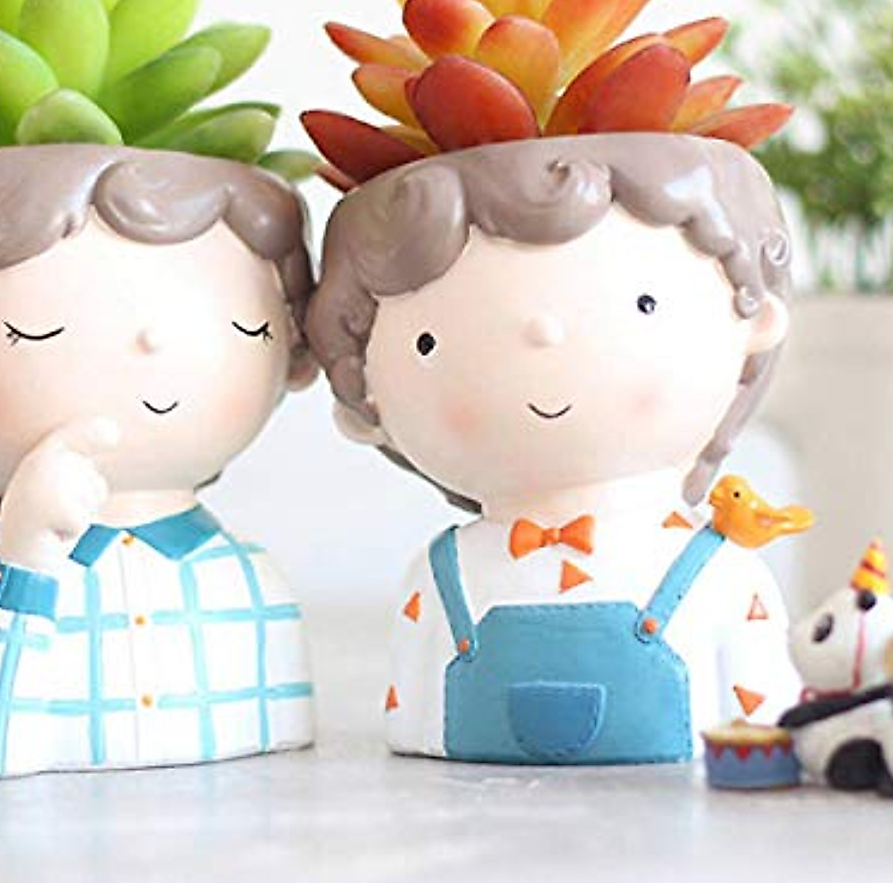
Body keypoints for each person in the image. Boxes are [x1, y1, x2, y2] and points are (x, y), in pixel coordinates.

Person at [307, 132, 801, 764]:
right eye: (428, 342)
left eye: (644, 304)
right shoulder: (442, 574)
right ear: (364, 397)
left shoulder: (722, 574)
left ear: (756, 324)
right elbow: (412, 721)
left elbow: (766, 717)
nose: (545, 336)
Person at [0, 144, 316, 777]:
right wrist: (26, 562)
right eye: (39, 331)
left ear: (295, 355)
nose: (155, 342)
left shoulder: (248, 581)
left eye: (242, 326)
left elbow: (284, 729)